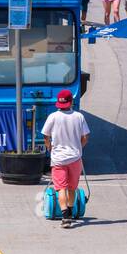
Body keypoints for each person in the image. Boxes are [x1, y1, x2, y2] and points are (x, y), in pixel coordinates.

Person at [41, 89, 89, 229]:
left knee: (60, 188)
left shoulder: (53, 117)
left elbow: (46, 135)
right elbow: (86, 137)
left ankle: (65, 217)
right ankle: (70, 210)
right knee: (72, 188)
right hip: (75, 158)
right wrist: (79, 148)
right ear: (71, 102)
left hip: (58, 159)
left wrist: (50, 147)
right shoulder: (79, 117)